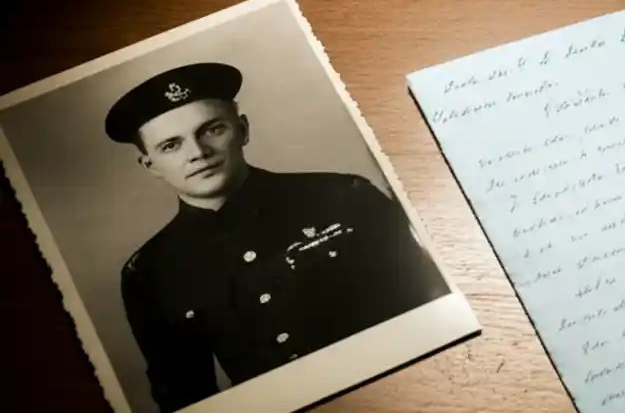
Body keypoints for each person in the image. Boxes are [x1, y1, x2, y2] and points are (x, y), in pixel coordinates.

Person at [107, 62, 447, 412]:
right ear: (149, 165)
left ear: (242, 129)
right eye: (171, 145)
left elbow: (432, 303)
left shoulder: (343, 196)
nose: (198, 152)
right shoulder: (150, 272)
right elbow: (184, 397)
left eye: (212, 129)